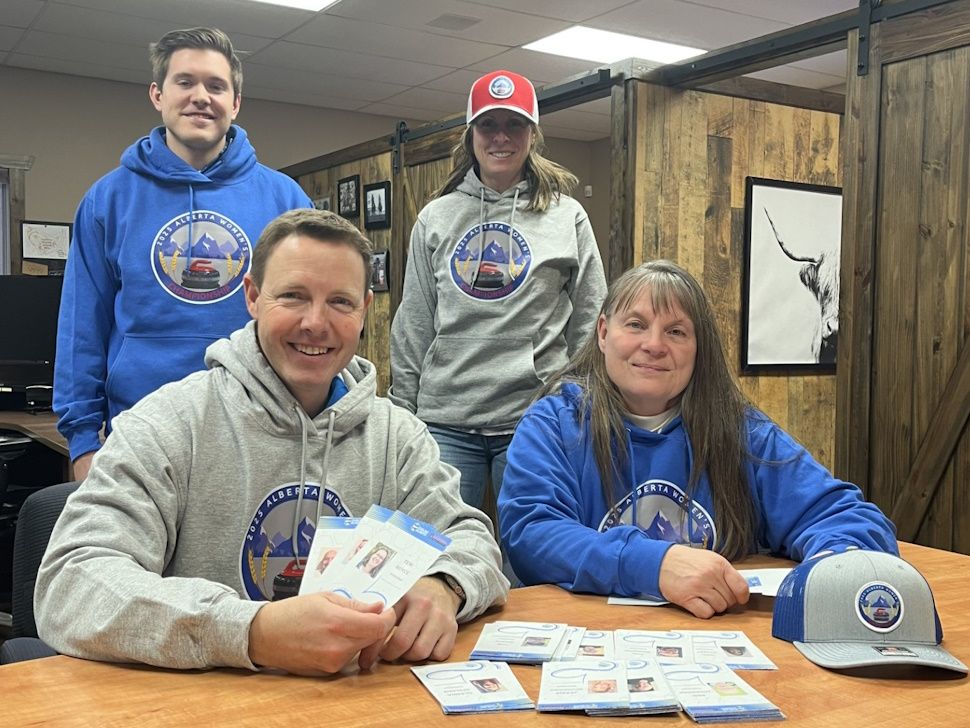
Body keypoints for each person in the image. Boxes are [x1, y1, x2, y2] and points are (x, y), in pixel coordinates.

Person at [36, 209, 508, 675]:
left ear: (364, 310)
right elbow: (70, 583)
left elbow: (470, 538)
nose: (316, 323)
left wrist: (445, 584)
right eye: (293, 296)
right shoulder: (167, 424)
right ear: (253, 297)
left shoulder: (396, 436)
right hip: (204, 702)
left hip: (352, 698)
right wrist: (251, 631)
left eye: (340, 302)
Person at [498, 260, 898, 619]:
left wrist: (833, 565)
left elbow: (848, 518)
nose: (654, 345)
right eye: (635, 324)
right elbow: (531, 534)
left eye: (676, 331)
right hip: (592, 641)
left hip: (717, 643)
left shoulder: (740, 431)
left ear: (698, 349)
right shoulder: (553, 424)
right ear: (603, 333)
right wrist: (655, 565)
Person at [54, 27, 311, 481]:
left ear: (235, 103)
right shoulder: (108, 200)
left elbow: (309, 316)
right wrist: (82, 443)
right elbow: (81, 329)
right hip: (141, 431)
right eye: (185, 82)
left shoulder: (284, 199)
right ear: (158, 94)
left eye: (216, 86)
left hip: (261, 431)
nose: (201, 97)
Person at [389, 69, 607, 514]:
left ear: (532, 134)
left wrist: (578, 402)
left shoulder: (567, 216)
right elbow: (414, 321)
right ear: (471, 135)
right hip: (445, 420)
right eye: (488, 125)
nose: (501, 137)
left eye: (514, 124)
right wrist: (402, 414)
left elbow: (592, 319)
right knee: (438, 544)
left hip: (534, 417)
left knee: (531, 548)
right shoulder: (436, 217)